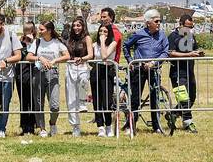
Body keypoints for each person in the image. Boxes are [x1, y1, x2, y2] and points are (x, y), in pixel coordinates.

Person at [123, 9, 170, 133]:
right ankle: (130, 125)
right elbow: (126, 46)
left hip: (154, 69)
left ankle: (156, 126)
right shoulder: (139, 34)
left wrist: (154, 62)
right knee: (135, 99)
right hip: (138, 69)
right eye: (156, 21)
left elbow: (165, 52)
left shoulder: (162, 35)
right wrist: (130, 61)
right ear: (148, 22)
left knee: (155, 98)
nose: (159, 23)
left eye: (160, 21)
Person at [167, 12, 204, 132]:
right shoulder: (173, 36)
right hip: (177, 73)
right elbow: (170, 53)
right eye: (187, 26)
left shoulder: (191, 37)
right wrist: (188, 54)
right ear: (180, 24)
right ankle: (188, 122)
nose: (189, 29)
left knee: (192, 97)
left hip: (190, 71)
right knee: (184, 99)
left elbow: (194, 49)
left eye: (191, 27)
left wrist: (199, 53)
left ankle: (172, 113)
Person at [60, 16, 94, 137]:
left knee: (83, 82)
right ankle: (75, 126)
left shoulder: (87, 38)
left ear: (83, 26)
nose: (76, 28)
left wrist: (82, 59)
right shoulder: (69, 39)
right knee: (71, 99)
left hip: (83, 66)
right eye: (74, 25)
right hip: (70, 68)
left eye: (78, 25)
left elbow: (91, 54)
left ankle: (83, 103)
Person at [92, 8, 123, 137]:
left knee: (107, 100)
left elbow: (105, 55)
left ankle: (109, 125)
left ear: (111, 18)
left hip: (109, 69)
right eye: (101, 17)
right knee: (97, 100)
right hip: (96, 70)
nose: (102, 19)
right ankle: (100, 127)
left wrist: (104, 41)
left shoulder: (115, 33)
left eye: (105, 17)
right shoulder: (96, 44)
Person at [14, 21, 41, 136]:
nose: (27, 32)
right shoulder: (19, 43)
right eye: (25, 30)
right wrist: (24, 42)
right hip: (21, 74)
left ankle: (33, 125)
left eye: (30, 30)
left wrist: (31, 42)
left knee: (33, 100)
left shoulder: (37, 42)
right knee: (23, 101)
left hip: (33, 73)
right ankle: (24, 126)